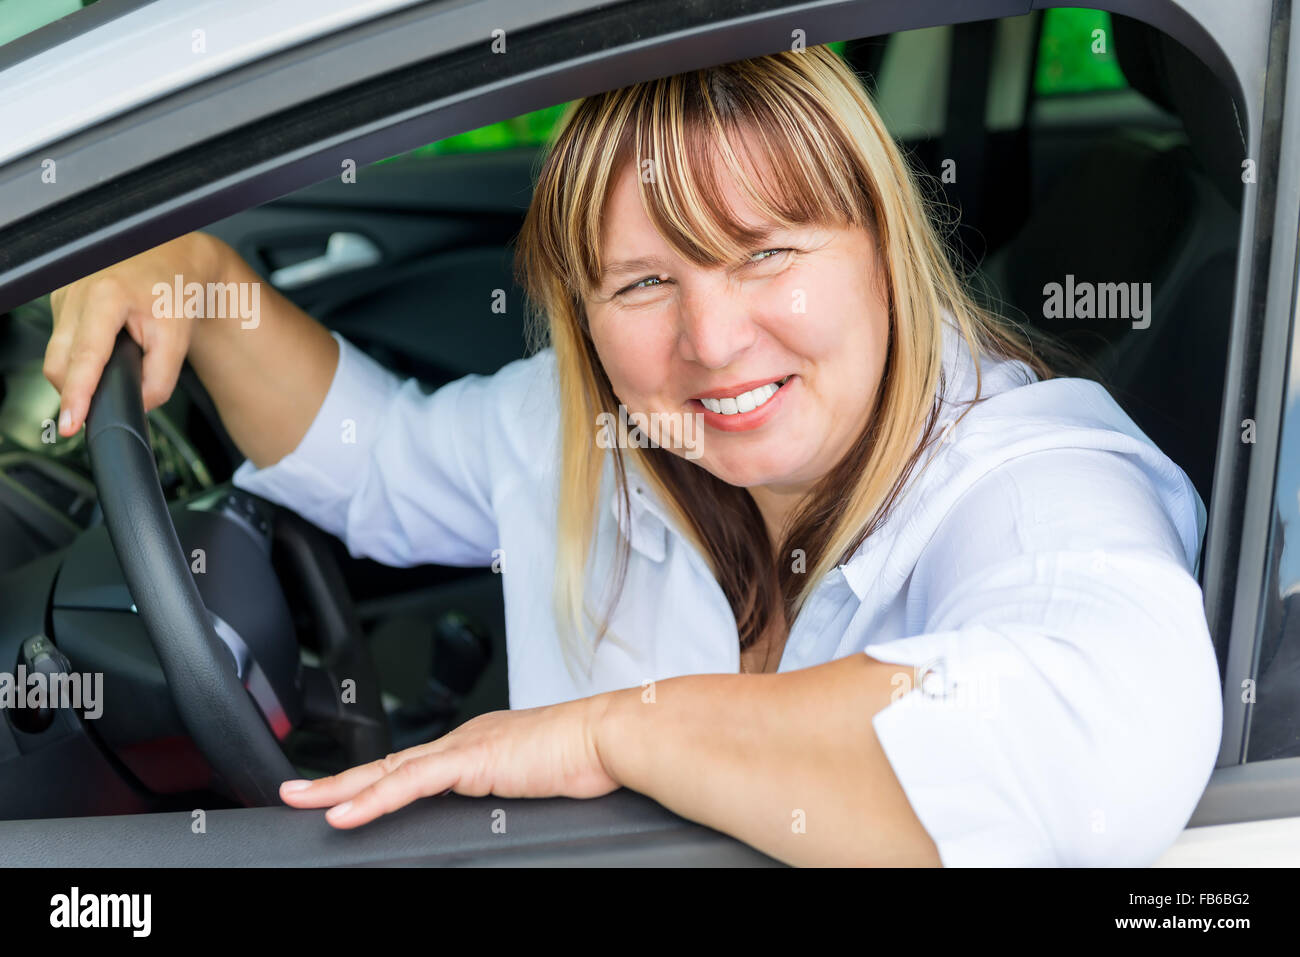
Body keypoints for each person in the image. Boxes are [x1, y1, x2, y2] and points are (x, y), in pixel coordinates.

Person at [43, 46, 1222, 866]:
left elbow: (1096, 755)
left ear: (882, 250)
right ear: (581, 312)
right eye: (644, 282)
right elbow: (376, 461)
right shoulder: (586, 428)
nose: (711, 342)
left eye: (765, 254)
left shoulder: (1028, 471)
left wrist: (610, 731)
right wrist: (199, 272)